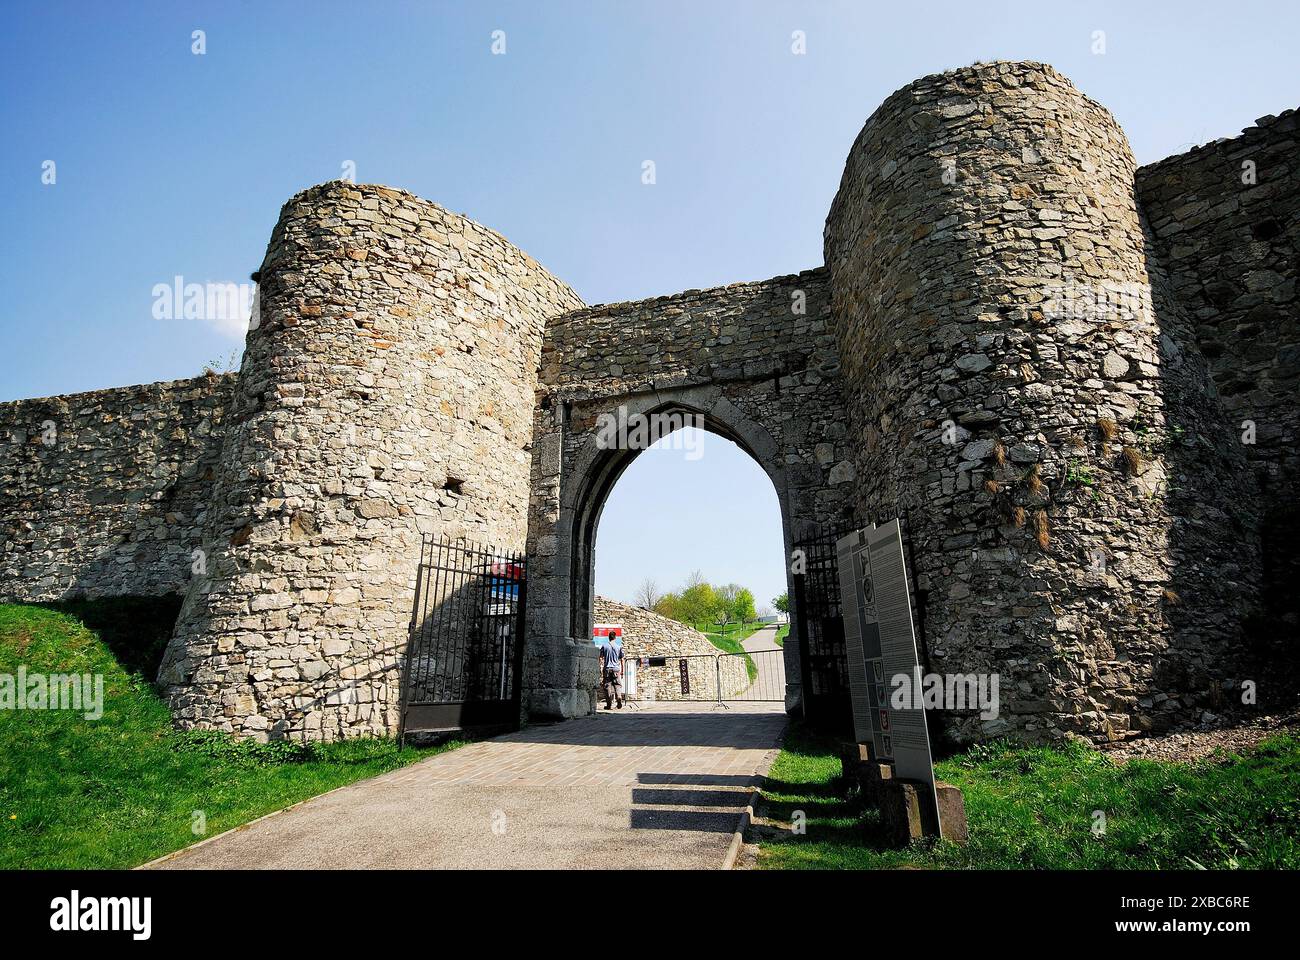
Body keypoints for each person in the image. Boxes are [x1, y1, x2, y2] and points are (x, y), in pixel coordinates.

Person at [598, 637, 625, 709]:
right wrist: (622, 670)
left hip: (607, 669)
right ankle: (619, 698)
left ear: (609, 638)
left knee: (607, 687)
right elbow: (622, 660)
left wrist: (600, 667)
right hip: (616, 669)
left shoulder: (604, 646)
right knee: (617, 685)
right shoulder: (619, 647)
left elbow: (600, 658)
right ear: (615, 638)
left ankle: (609, 704)